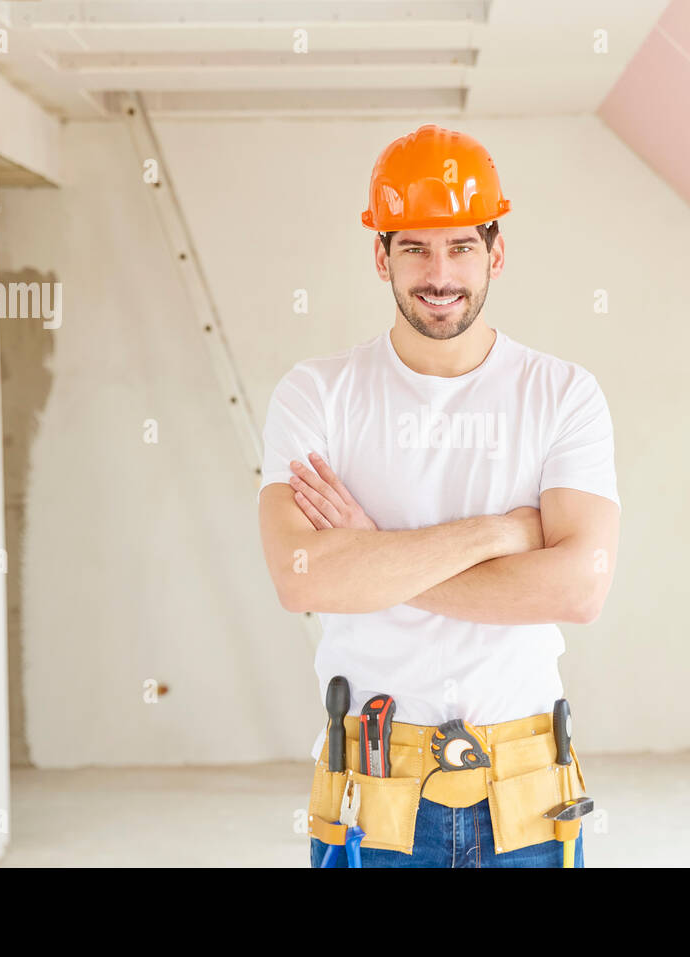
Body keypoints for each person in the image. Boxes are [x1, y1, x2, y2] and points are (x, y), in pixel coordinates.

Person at [256, 124, 620, 867]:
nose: (439, 271)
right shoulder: (316, 395)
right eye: (414, 246)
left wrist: (371, 553)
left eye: (460, 245)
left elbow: (580, 588)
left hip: (526, 789)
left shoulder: (562, 395)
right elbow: (303, 579)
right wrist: (497, 533)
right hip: (374, 788)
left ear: (497, 251)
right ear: (381, 254)